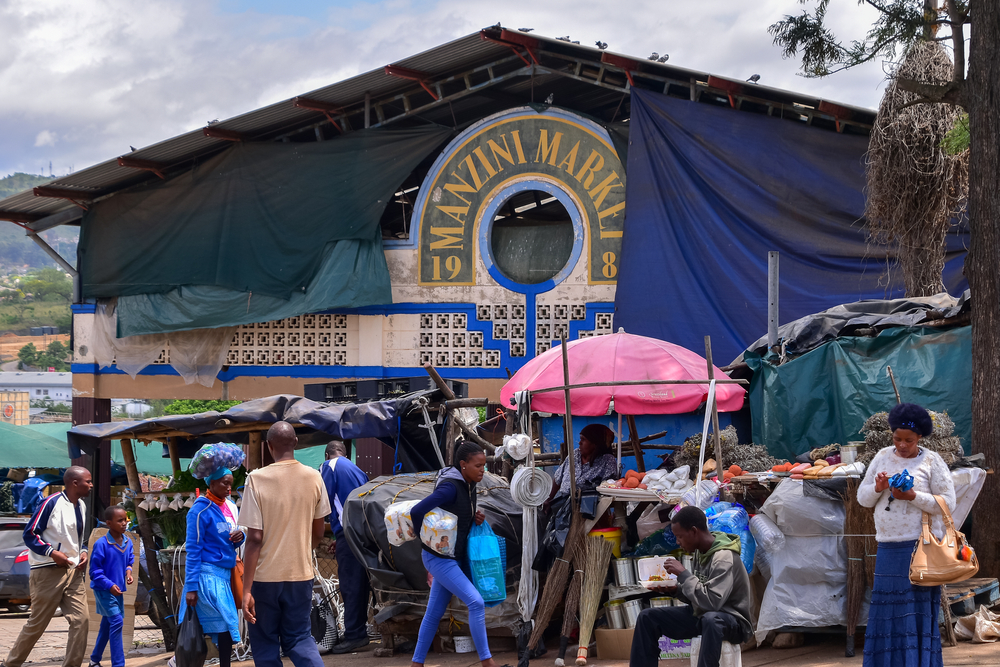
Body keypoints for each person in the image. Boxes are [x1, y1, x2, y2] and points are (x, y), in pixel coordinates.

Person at [857, 402, 956, 667]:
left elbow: (948, 502)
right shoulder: (882, 456)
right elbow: (864, 499)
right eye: (897, 438)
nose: (901, 445)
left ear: (920, 437)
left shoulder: (932, 461)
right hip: (889, 549)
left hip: (921, 549)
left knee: (916, 612)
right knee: (888, 612)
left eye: (908, 440)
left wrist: (912, 496)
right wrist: (878, 488)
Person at [240, 422, 331, 667]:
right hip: (300, 575)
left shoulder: (256, 479)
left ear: (269, 446)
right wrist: (300, 551)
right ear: (296, 443)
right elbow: (319, 531)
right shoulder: (314, 476)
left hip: (264, 579)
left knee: (266, 644)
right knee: (300, 638)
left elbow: (254, 539)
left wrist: (246, 590)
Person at [409, 440, 499, 667]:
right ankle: (487, 662)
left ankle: (416, 663)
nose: (483, 470)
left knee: (434, 612)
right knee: (476, 603)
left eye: (484, 465)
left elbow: (457, 516)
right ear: (463, 465)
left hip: (452, 558)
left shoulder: (469, 485)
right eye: (478, 465)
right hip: (439, 558)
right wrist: (426, 540)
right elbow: (417, 510)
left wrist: (473, 518)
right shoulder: (450, 487)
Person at [630, 506, 752, 667]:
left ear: (694, 531)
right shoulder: (699, 552)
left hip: (733, 621)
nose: (677, 542)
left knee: (712, 620)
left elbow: (712, 603)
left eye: (679, 536)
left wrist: (684, 575)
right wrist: (676, 591)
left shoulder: (723, 557)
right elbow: (700, 597)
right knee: (647, 617)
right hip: (704, 614)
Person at [2, 466, 92, 667]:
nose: (91, 485)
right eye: (88, 481)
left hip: (73, 572)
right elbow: (30, 534)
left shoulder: (82, 506)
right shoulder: (51, 503)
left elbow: (78, 539)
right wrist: (52, 552)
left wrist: (83, 551)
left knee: (81, 620)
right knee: (38, 624)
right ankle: (11, 664)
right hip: (46, 571)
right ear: (74, 483)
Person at [178, 444, 246, 667]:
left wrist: (240, 538)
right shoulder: (199, 511)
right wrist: (190, 588)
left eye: (231, 483)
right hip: (207, 578)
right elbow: (193, 550)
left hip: (224, 576)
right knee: (223, 626)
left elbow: (226, 539)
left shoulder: (226, 507)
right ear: (212, 483)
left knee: (223, 627)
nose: (229, 488)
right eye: (225, 484)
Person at [318, 439, 372, 654]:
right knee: (360, 584)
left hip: (349, 535)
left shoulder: (329, 466)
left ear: (326, 454)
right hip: (363, 535)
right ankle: (358, 631)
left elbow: (321, 502)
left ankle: (355, 634)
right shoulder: (358, 470)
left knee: (350, 586)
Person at [88, 506, 134, 667]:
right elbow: (94, 572)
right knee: (117, 622)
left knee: (107, 624)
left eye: (125, 519)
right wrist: (109, 585)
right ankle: (118, 664)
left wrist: (128, 573)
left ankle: (94, 660)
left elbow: (130, 561)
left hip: (118, 591)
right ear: (108, 523)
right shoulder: (101, 544)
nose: (124, 523)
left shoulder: (128, 541)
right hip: (103, 590)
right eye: (119, 520)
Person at [549, 424, 618, 500]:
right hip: (563, 503)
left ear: (595, 443)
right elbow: (558, 478)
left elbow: (608, 487)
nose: (579, 443)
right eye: (580, 439)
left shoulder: (607, 460)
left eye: (583, 439)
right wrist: (548, 499)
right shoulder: (575, 454)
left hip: (588, 507)